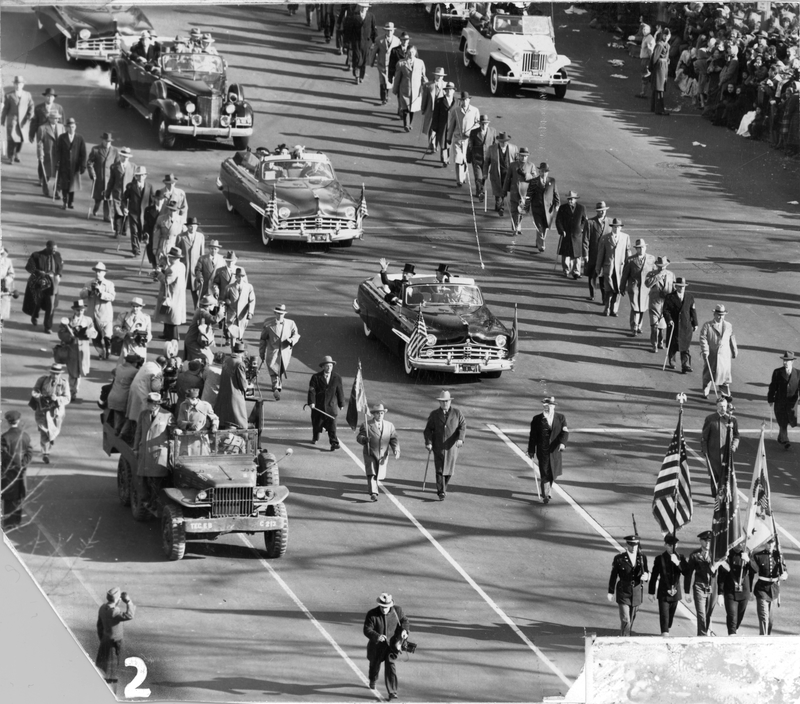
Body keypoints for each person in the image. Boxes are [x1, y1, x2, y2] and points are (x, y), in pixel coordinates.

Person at [363, 593, 409, 700]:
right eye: (382, 607)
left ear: (391, 605)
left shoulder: (398, 611)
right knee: (374, 666)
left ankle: (392, 692)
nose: (384, 609)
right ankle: (373, 679)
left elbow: (405, 621)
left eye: (386, 607)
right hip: (376, 647)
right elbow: (367, 630)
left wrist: (404, 630)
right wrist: (377, 636)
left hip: (391, 646)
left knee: (391, 666)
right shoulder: (372, 614)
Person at [423, 390, 466, 501]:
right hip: (438, 447)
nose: (444, 404)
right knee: (440, 469)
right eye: (442, 402)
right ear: (439, 403)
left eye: (446, 401)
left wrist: (460, 439)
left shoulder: (457, 413)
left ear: (450, 402)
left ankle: (443, 486)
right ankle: (441, 491)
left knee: (449, 471)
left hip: (452, 448)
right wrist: (429, 442)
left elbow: (462, 426)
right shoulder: (434, 414)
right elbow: (428, 430)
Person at [133, 392, 173, 508]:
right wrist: (136, 448)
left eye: (152, 403)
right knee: (144, 480)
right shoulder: (143, 414)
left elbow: (172, 435)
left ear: (157, 404)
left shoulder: (167, 415)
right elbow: (138, 432)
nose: (150, 405)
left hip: (159, 454)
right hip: (145, 452)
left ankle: (154, 503)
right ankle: (147, 501)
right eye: (149, 403)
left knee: (157, 481)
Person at [526, 397, 568, 504]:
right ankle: (546, 494)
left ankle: (547, 489)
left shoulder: (561, 418)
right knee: (544, 472)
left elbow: (565, 432)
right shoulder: (536, 419)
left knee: (552, 473)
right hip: (543, 450)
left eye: (549, 406)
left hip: (555, 450)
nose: (547, 408)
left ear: (553, 406)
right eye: (545, 406)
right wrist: (531, 450)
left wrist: (562, 443)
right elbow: (533, 436)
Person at [607, 534, 650, 636]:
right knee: (625, 619)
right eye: (631, 544)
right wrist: (611, 591)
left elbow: (647, 572)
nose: (633, 547)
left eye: (635, 545)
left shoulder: (642, 558)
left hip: (636, 591)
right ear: (627, 545)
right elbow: (613, 576)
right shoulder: (619, 558)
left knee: (631, 618)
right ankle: (625, 639)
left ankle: (626, 635)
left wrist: (647, 576)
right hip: (623, 591)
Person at [356, 402, 399, 501]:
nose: (379, 415)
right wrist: (364, 439)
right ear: (373, 414)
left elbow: (394, 439)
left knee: (379, 473)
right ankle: (373, 492)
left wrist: (395, 449)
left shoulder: (389, 425)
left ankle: (373, 488)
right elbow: (359, 437)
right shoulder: (367, 425)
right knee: (371, 473)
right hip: (370, 453)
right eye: (377, 413)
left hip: (383, 454)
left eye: (381, 413)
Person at [95, 588, 135, 688]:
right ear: (118, 599)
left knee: (105, 667)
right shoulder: (115, 611)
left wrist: (102, 639)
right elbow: (130, 615)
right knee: (112, 671)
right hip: (114, 642)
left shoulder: (102, 608)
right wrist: (129, 602)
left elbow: (99, 626)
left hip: (105, 640)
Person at [30, 364, 71, 463]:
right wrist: (40, 397)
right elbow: (34, 391)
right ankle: (45, 453)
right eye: (53, 373)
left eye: (57, 374)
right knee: (44, 431)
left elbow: (67, 398)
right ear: (50, 373)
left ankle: (51, 437)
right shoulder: (42, 380)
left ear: (60, 374)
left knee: (53, 431)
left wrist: (57, 398)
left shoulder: (64, 383)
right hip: (43, 411)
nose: (55, 376)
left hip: (56, 413)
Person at [259, 304, 301, 401]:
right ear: (275, 313)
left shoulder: (291, 323)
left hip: (285, 351)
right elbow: (262, 339)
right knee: (273, 369)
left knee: (281, 369)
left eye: (281, 314)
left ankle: (277, 384)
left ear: (284, 314)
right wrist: (262, 353)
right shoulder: (268, 325)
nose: (280, 315)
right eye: (278, 313)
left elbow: (296, 335)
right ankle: (275, 387)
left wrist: (292, 340)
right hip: (272, 352)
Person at [58, 299, 98, 399]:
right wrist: (69, 336)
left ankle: (74, 390)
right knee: (72, 372)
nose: (79, 312)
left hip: (83, 350)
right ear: (74, 310)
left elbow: (94, 333)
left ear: (84, 310)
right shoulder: (68, 321)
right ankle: (72, 392)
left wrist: (87, 332)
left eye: (81, 310)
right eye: (77, 310)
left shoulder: (88, 320)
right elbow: (60, 333)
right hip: (72, 350)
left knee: (79, 372)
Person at [701, 396, 739, 498]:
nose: (723, 409)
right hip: (713, 454)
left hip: (727, 453)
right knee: (715, 475)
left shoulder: (732, 420)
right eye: (721, 406)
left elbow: (736, 436)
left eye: (725, 406)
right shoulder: (710, 419)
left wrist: (734, 446)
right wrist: (705, 451)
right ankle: (716, 495)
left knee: (727, 474)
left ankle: (726, 494)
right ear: (716, 407)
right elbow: (704, 437)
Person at [648, 534, 686, 636]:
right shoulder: (659, 559)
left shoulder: (680, 558)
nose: (672, 547)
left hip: (675, 592)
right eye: (670, 545)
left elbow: (686, 572)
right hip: (664, 592)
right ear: (665, 545)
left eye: (674, 545)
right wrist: (651, 592)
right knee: (664, 616)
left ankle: (667, 628)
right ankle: (664, 634)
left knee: (670, 618)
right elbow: (654, 576)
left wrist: (678, 563)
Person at [749, 536, 788, 636]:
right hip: (762, 588)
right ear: (764, 544)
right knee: (763, 617)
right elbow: (753, 571)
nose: (770, 545)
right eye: (768, 543)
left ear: (775, 544)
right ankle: (763, 638)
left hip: (774, 589)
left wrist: (784, 575)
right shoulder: (758, 556)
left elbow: (784, 570)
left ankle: (767, 636)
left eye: (772, 543)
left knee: (770, 620)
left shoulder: (778, 555)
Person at [683, 530, 719, 636]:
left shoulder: (716, 555)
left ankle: (704, 633)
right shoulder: (695, 555)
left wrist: (721, 593)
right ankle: (702, 636)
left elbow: (722, 575)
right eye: (705, 541)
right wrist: (687, 591)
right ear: (700, 541)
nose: (707, 543)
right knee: (701, 613)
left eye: (709, 541)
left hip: (712, 587)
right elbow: (689, 574)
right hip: (699, 586)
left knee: (708, 613)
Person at [22, 240, 63, 334]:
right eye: (52, 249)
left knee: (51, 305)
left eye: (55, 249)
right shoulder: (36, 255)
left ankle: (47, 327)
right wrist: (37, 272)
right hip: (39, 283)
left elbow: (60, 266)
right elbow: (28, 267)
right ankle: (34, 315)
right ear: (47, 247)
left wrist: (59, 275)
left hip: (52, 284)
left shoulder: (57, 255)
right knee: (37, 302)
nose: (54, 251)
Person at [1, 410, 33, 529]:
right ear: (18, 421)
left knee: (9, 499)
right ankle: (16, 522)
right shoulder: (25, 435)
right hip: (21, 472)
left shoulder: (5, 437)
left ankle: (9, 524)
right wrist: (23, 465)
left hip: (8, 473)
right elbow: (29, 453)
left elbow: (2, 456)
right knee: (19, 497)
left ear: (8, 422)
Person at [700, 304, 738, 398]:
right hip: (712, 354)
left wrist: (734, 351)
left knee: (724, 376)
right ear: (714, 314)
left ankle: (725, 394)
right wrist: (705, 350)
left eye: (722, 315)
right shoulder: (707, 325)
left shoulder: (728, 326)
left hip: (724, 356)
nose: (720, 317)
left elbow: (732, 338)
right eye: (718, 315)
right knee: (708, 375)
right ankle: (705, 391)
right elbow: (703, 338)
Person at [619, 238, 655, 337]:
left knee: (642, 308)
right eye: (639, 248)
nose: (641, 250)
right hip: (634, 287)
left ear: (645, 248)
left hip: (646, 288)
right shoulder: (631, 260)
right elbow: (625, 275)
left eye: (642, 248)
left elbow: (655, 273)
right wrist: (622, 287)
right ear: (636, 249)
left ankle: (639, 326)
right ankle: (634, 327)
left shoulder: (651, 258)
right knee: (635, 307)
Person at [124, 356, 166, 439]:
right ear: (164, 365)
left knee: (132, 412)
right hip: (142, 392)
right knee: (143, 415)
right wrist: (162, 386)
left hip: (134, 389)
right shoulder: (157, 371)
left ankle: (123, 432)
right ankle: (139, 436)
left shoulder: (149, 363)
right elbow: (155, 387)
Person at [596, 218, 631, 317]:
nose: (616, 229)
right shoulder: (605, 238)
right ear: (612, 227)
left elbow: (628, 252)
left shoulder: (626, 237)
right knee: (608, 289)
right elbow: (600, 254)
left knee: (619, 289)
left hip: (620, 269)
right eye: (614, 227)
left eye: (618, 227)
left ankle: (614, 309)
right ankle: (607, 308)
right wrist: (598, 267)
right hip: (609, 269)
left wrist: (629, 267)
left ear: (621, 228)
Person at [308, 356, 345, 450]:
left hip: (331, 407)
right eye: (327, 366)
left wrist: (341, 403)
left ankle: (334, 443)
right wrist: (312, 402)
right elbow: (312, 390)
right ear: (323, 367)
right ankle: (315, 437)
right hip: (318, 406)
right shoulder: (316, 377)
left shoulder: (337, 377)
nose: (329, 368)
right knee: (317, 424)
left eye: (331, 366)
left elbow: (340, 391)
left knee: (332, 426)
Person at [80, 262, 116, 360]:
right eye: (96, 271)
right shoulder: (88, 283)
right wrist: (89, 291)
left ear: (104, 273)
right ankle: (101, 352)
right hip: (91, 314)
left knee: (107, 335)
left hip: (105, 314)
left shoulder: (109, 284)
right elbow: (82, 295)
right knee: (95, 336)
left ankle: (108, 350)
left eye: (100, 272)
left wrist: (101, 292)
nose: (98, 274)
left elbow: (112, 297)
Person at [717, 544, 755, 636]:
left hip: (744, 590)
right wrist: (720, 594)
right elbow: (721, 575)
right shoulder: (727, 554)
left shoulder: (747, 552)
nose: (740, 545)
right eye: (737, 542)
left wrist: (748, 561)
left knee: (739, 616)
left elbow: (754, 571)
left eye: (742, 542)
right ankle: (732, 634)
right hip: (730, 590)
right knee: (732, 616)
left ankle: (735, 630)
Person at [446, 91, 480, 187]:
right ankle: (459, 180)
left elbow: (477, 124)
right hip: (458, 139)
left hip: (469, 140)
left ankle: (463, 175)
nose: (464, 102)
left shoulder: (475, 111)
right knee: (458, 159)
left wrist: (469, 132)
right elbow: (451, 125)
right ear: (461, 101)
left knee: (465, 159)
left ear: (469, 100)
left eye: (466, 100)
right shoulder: (456, 111)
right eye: (463, 100)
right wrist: (449, 138)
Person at [662, 277, 697, 373]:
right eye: (680, 287)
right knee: (673, 345)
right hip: (674, 325)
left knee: (685, 345)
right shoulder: (670, 297)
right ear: (676, 286)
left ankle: (685, 365)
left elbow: (692, 310)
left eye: (683, 287)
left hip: (686, 325)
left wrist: (695, 323)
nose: (682, 288)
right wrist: (669, 320)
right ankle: (672, 361)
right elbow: (665, 310)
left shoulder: (690, 297)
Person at [154, 246, 187, 341]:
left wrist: (158, 273)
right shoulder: (181, 265)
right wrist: (164, 271)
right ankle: (167, 334)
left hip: (171, 294)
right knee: (167, 315)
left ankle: (174, 337)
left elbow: (166, 281)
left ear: (173, 258)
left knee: (171, 317)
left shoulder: (172, 268)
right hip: (178, 293)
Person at [53, 117, 87, 210]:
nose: (71, 129)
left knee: (72, 185)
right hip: (64, 165)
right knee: (64, 185)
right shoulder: (62, 137)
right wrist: (57, 162)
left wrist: (83, 165)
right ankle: (64, 202)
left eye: (72, 127)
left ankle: (70, 202)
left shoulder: (80, 138)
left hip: (75, 166)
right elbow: (58, 151)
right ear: (66, 128)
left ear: (75, 127)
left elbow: (83, 153)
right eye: (69, 127)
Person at [768, 351, 799, 449]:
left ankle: (781, 437)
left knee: (790, 419)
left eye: (787, 361)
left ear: (792, 361)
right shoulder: (777, 372)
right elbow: (773, 386)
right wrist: (770, 398)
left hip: (792, 403)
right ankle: (785, 439)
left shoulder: (798, 373)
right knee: (783, 421)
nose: (785, 362)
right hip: (780, 402)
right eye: (784, 360)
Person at [214, 341, 249, 429]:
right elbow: (243, 384)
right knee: (237, 423)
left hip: (224, 394)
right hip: (235, 396)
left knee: (226, 421)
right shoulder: (240, 363)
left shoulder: (226, 360)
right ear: (243, 352)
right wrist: (247, 384)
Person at [392, 45, 427, 132]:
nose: (411, 54)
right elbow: (397, 78)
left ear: (415, 53)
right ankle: (406, 125)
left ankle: (410, 123)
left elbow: (423, 76)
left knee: (412, 109)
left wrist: (426, 85)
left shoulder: (420, 63)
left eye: (413, 52)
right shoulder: (401, 63)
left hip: (416, 91)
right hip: (404, 90)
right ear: (406, 52)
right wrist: (395, 89)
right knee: (405, 108)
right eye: (409, 52)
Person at [121, 166, 154, 257]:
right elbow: (124, 199)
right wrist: (124, 208)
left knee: (143, 232)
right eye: (138, 175)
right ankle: (136, 249)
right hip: (133, 213)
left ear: (145, 176)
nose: (140, 177)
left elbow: (152, 201)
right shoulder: (131, 186)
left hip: (145, 215)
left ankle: (139, 243)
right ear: (135, 176)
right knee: (134, 232)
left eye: (142, 175)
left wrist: (153, 212)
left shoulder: (149, 186)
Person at [87, 132, 119, 223]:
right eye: (106, 141)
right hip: (99, 178)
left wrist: (116, 176)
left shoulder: (115, 151)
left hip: (109, 179)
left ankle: (106, 216)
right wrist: (92, 173)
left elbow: (117, 165)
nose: (107, 143)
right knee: (98, 198)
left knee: (108, 198)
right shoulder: (96, 149)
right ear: (102, 140)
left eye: (109, 141)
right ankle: (95, 208)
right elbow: (89, 163)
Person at [555, 190, 589, 279]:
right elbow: (558, 221)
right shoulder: (562, 208)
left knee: (577, 255)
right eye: (568, 199)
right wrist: (561, 230)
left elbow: (584, 220)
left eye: (571, 199)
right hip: (566, 234)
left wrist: (581, 228)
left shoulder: (581, 208)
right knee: (566, 254)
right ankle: (566, 270)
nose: (570, 200)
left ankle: (576, 272)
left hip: (577, 235)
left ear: (575, 199)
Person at [644, 256, 674, 353]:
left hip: (665, 304)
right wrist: (657, 276)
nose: (662, 268)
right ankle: (654, 344)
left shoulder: (671, 275)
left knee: (662, 327)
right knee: (654, 325)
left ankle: (661, 341)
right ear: (657, 266)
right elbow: (647, 284)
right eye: (660, 266)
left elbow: (673, 289)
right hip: (654, 304)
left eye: (664, 266)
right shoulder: (651, 274)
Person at [176, 387, 219, 455]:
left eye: (190, 399)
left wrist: (214, 426)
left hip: (201, 439)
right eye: (187, 398)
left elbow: (215, 418)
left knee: (202, 460)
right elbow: (179, 421)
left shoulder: (205, 406)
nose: (188, 401)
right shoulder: (183, 405)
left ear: (195, 398)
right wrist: (189, 425)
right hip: (187, 439)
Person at [1, 75, 34, 164]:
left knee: (21, 138)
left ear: (23, 85)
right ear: (14, 85)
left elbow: (31, 105)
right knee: (11, 139)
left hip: (23, 122)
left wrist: (30, 115)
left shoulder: (27, 95)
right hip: (12, 121)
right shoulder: (9, 95)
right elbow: (5, 109)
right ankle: (10, 156)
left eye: (19, 83)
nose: (17, 85)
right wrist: (2, 120)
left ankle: (17, 153)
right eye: (16, 83)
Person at [503, 147, 536, 235]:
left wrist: (525, 174)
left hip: (525, 192)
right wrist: (504, 190)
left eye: (525, 156)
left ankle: (518, 225)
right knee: (514, 210)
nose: (523, 158)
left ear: (527, 156)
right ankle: (515, 228)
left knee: (521, 211)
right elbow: (507, 178)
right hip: (514, 191)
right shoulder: (513, 165)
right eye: (521, 156)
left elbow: (535, 178)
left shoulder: (531, 165)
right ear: (519, 155)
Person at [107, 354, 143, 433]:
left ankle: (117, 430)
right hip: (123, 399)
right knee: (127, 417)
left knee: (118, 416)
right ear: (134, 363)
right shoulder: (135, 371)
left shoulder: (119, 367)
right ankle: (121, 433)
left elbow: (113, 372)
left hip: (113, 396)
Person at [583, 201, 611, 300]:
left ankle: (604, 297)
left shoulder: (610, 223)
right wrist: (585, 254)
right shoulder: (590, 222)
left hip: (605, 255)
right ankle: (592, 294)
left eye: (603, 210)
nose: (602, 212)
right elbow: (585, 239)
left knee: (603, 277)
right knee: (592, 275)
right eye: (600, 211)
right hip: (593, 254)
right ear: (597, 211)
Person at [106, 146, 136, 238]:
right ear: (120, 156)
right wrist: (108, 192)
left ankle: (124, 230)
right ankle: (117, 231)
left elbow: (135, 181)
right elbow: (111, 181)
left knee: (126, 212)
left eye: (126, 156)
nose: (125, 158)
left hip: (128, 195)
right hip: (117, 193)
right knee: (118, 213)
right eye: (123, 156)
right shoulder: (114, 167)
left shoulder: (133, 167)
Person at [112, 297, 152, 364]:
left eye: (137, 306)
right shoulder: (124, 315)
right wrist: (125, 334)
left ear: (141, 307)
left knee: (139, 366)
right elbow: (116, 328)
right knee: (123, 364)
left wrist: (145, 339)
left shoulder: (146, 318)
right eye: (133, 306)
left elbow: (149, 333)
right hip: (126, 344)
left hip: (139, 346)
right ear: (131, 306)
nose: (135, 308)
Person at [177, 216, 205, 308]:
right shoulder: (181, 237)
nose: (192, 228)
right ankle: (180, 309)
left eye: (194, 226)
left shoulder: (201, 237)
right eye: (190, 226)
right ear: (187, 227)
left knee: (196, 291)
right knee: (181, 290)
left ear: (197, 227)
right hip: (184, 269)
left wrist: (201, 270)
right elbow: (177, 253)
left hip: (195, 270)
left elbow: (202, 255)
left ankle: (197, 310)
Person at [370, 21, 400, 105]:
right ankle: (384, 97)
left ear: (393, 31)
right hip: (381, 64)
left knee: (389, 81)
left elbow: (399, 54)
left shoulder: (397, 41)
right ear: (385, 31)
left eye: (391, 30)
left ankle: (386, 93)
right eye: (387, 30)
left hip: (391, 66)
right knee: (382, 81)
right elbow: (374, 52)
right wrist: (371, 62)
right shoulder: (379, 40)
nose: (389, 32)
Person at [34, 110, 63, 198]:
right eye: (55, 118)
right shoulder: (42, 128)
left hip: (59, 154)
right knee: (46, 172)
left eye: (58, 118)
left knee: (59, 173)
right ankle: (46, 190)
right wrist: (40, 155)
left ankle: (57, 191)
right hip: (48, 154)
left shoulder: (61, 127)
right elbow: (40, 143)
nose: (57, 120)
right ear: (49, 118)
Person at [223, 267, 256, 343]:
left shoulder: (249, 287)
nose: (240, 278)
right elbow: (225, 298)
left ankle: (238, 346)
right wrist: (226, 301)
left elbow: (252, 300)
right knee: (233, 335)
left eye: (242, 276)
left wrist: (250, 312)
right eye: (239, 276)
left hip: (243, 315)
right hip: (232, 314)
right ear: (235, 277)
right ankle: (233, 350)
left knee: (240, 334)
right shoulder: (229, 287)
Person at [466, 114, 496, 199]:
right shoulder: (474, 132)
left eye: (485, 123)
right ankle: (479, 192)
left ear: (488, 123)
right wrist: (468, 157)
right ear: (479, 124)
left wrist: (494, 158)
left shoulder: (492, 131)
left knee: (484, 176)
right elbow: (470, 146)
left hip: (487, 159)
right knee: (478, 176)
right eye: (482, 124)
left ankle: (481, 189)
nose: (484, 125)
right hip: (476, 158)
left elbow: (494, 146)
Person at [347, 3, 377, 84]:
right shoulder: (354, 16)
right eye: (362, 7)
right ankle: (356, 75)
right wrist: (349, 41)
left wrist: (374, 41)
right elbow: (350, 29)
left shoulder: (371, 16)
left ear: (367, 8)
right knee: (356, 57)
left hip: (366, 42)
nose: (364, 8)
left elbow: (374, 29)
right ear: (359, 7)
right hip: (356, 41)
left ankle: (361, 76)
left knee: (364, 60)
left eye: (365, 7)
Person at [213, 251, 239, 342]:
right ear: (225, 261)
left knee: (232, 318)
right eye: (228, 261)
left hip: (234, 299)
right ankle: (227, 336)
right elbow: (216, 282)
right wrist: (216, 288)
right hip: (223, 297)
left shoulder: (238, 271)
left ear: (235, 261)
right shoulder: (220, 271)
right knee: (224, 317)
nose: (230, 263)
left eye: (232, 261)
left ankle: (232, 335)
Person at [430, 81, 456, 167]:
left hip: (453, 126)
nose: (449, 92)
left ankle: (446, 157)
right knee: (444, 143)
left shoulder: (457, 102)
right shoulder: (439, 101)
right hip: (443, 126)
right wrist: (434, 127)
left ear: (454, 91)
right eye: (447, 90)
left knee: (450, 143)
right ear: (445, 91)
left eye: (451, 90)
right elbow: (435, 115)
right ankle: (445, 159)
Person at [420, 67, 446, 151]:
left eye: (441, 76)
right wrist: (423, 109)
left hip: (441, 112)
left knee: (440, 129)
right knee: (431, 128)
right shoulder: (428, 85)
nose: (439, 77)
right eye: (437, 75)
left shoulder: (446, 86)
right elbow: (425, 98)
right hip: (431, 111)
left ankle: (436, 143)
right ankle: (432, 144)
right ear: (434, 75)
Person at [153, 198, 185, 267]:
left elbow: (184, 236)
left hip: (175, 246)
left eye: (174, 210)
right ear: (168, 209)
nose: (172, 212)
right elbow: (156, 234)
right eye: (171, 210)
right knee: (161, 267)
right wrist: (155, 247)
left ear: (177, 210)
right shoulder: (161, 219)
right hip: (163, 246)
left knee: (173, 268)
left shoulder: (181, 220)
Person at [650, 28, 672, 115]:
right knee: (659, 87)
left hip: (663, 66)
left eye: (668, 36)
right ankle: (659, 109)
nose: (666, 37)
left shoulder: (667, 45)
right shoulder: (660, 44)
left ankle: (655, 107)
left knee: (659, 87)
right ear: (662, 35)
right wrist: (652, 68)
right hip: (659, 67)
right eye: (665, 35)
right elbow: (655, 58)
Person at [636, 23, 655, 99]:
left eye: (646, 29)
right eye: (643, 29)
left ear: (649, 30)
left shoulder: (649, 38)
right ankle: (643, 92)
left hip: (647, 60)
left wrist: (651, 61)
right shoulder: (645, 37)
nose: (644, 31)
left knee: (645, 76)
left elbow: (650, 50)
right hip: (644, 59)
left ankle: (643, 93)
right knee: (644, 75)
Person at [0, 246, 17, 324]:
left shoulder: (8, 261)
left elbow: (11, 274)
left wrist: (6, 280)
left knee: (1, 313)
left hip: (3, 289)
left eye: (1, 254)